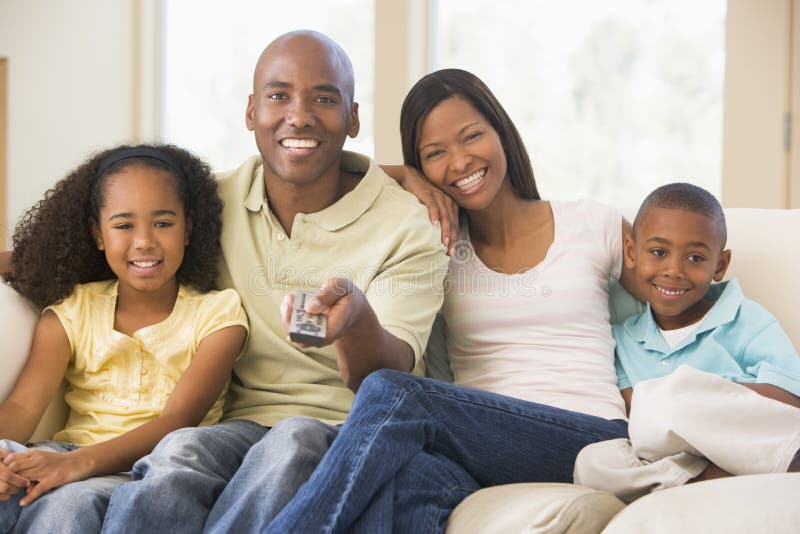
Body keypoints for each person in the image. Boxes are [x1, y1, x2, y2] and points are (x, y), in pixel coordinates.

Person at [265, 68, 642, 533]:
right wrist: (404, 176)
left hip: (587, 439)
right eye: (435, 154)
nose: (460, 162)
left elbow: (678, 298)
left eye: (471, 137)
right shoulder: (436, 246)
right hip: (481, 448)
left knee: (392, 392)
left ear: (501, 132)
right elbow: (323, 170)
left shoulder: (594, 224)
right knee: (402, 482)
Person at [99, 31, 449, 533]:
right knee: (178, 450)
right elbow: (119, 230)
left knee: (292, 445)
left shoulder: (408, 228)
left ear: (352, 119)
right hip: (238, 426)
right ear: (251, 112)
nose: (299, 115)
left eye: (324, 98)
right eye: (279, 95)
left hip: (343, 429)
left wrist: (354, 320)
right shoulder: (212, 205)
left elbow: (390, 375)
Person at [0, 144, 249, 533]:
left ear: (189, 229)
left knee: (69, 505)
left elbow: (178, 421)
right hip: (63, 457)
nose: (144, 241)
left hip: (152, 472)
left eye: (163, 223)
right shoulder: (72, 311)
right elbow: (21, 407)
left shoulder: (219, 315)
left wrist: (75, 465)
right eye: (123, 225)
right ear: (98, 235)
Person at [572, 182, 800, 503]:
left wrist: (701, 393)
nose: (674, 270)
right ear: (631, 252)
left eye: (695, 257)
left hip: (745, 440)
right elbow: (637, 417)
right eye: (659, 252)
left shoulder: (744, 319)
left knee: (665, 398)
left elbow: (790, 397)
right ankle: (713, 479)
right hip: (676, 461)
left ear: (719, 266)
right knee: (593, 461)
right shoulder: (623, 339)